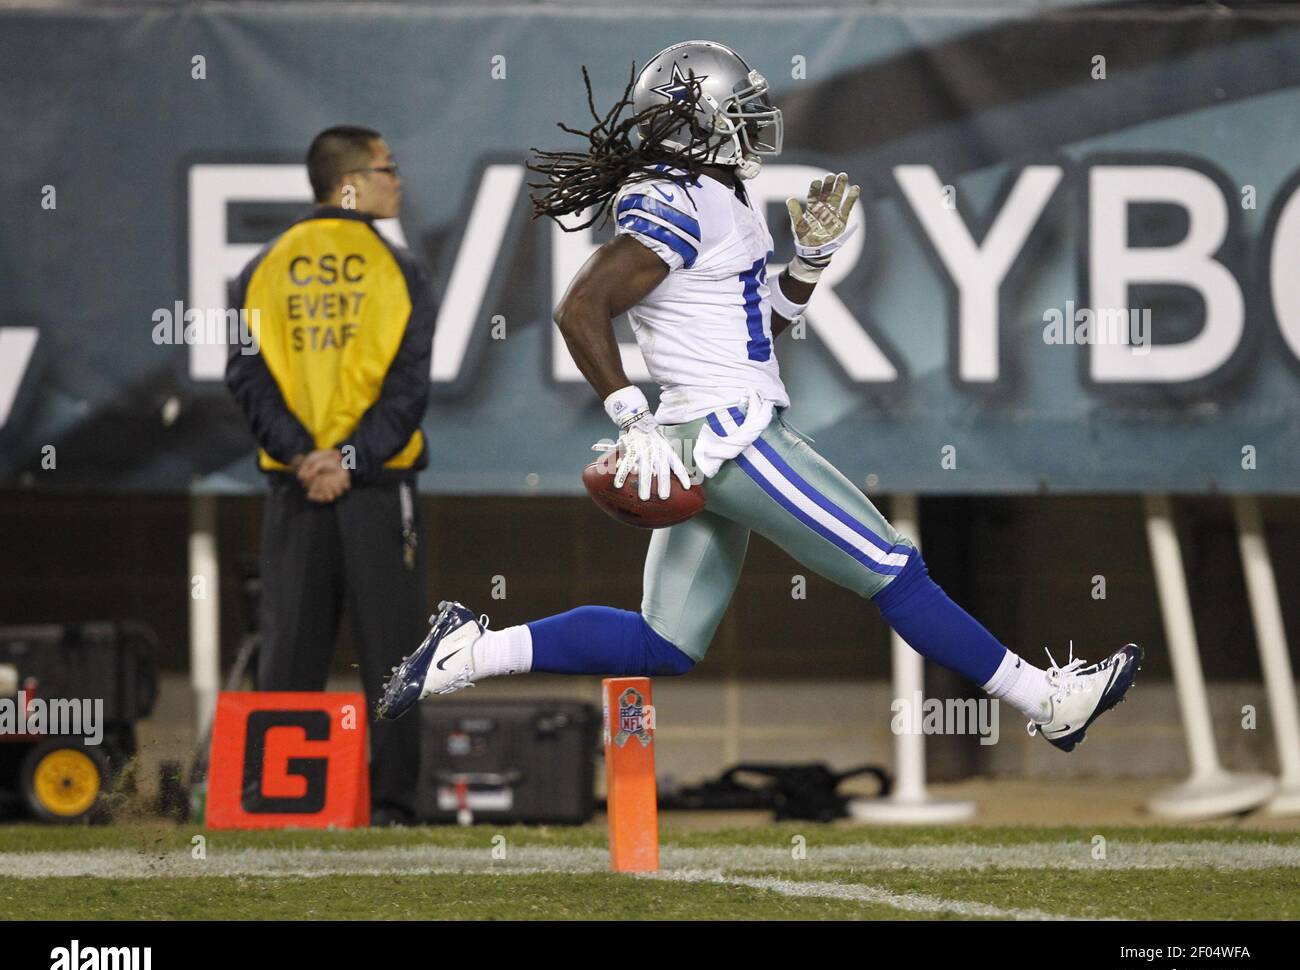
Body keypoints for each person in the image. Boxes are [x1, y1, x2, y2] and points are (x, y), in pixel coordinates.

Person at [377, 42, 1139, 753]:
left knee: (663, 644)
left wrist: (806, 265)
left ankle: (468, 651)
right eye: (735, 106)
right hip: (727, 434)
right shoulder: (682, 199)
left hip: (702, 431)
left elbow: (753, 329)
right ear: (696, 120)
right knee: (894, 568)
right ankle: (1045, 701)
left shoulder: (715, 198)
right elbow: (581, 306)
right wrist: (628, 415)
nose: (752, 118)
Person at [227, 125, 433, 823]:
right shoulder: (401, 270)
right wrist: (346, 460)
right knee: (396, 652)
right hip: (376, 487)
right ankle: (396, 808)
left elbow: (248, 380)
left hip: (294, 488)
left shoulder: (258, 269)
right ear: (351, 183)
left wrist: (303, 458)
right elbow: (407, 394)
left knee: (289, 649)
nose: (397, 180)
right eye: (387, 167)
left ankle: (275, 799)